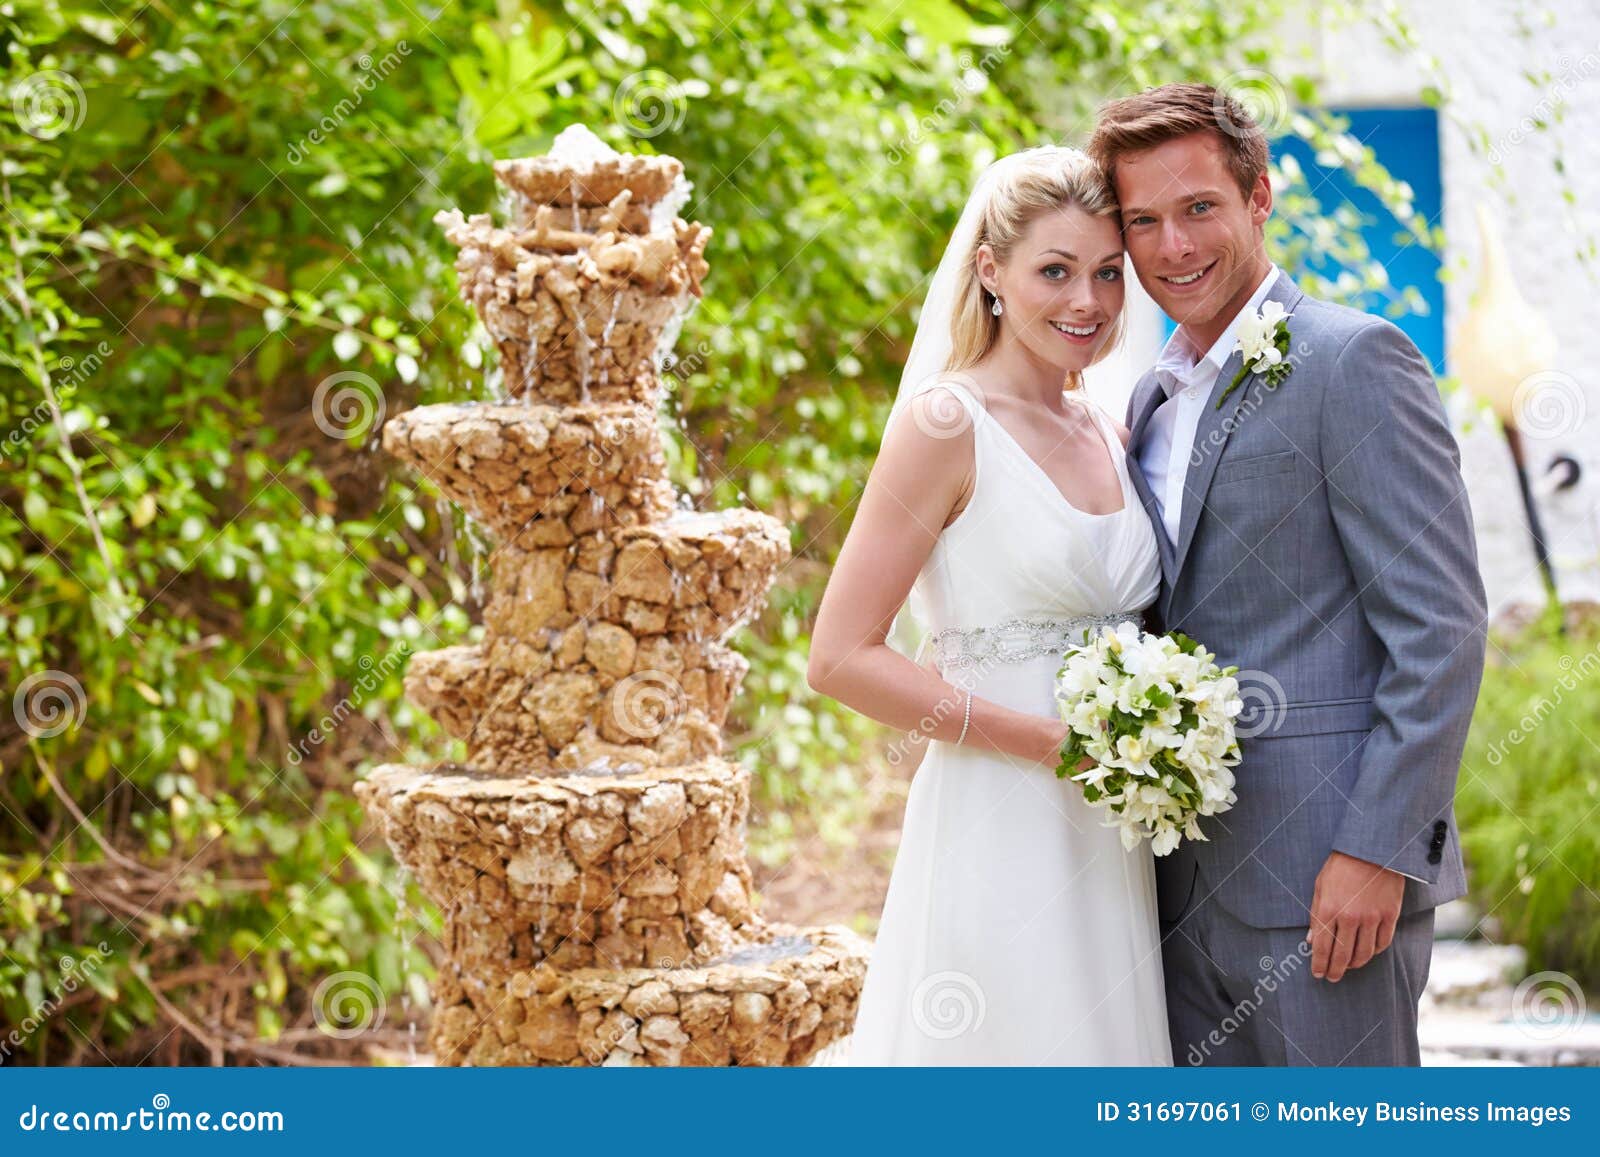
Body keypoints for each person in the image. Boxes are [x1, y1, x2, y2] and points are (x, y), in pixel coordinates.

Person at [1087, 82, 1488, 1066]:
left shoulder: (1355, 360)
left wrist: (1379, 847)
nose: (1174, 246)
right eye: (1143, 221)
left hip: (1327, 880)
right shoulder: (1148, 399)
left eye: (1199, 208)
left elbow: (1441, 628)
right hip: (1174, 886)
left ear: (1259, 196)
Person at [806, 146, 1172, 1064]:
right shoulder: (947, 423)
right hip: (998, 814)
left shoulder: (1114, 428)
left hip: (1114, 831)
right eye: (1055, 271)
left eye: (1108, 273)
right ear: (991, 272)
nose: (1087, 301)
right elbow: (840, 656)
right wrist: (1047, 744)